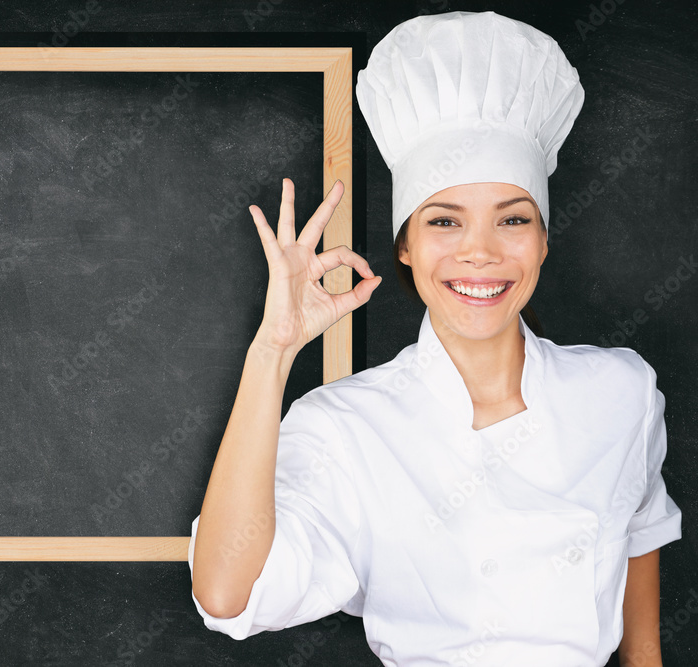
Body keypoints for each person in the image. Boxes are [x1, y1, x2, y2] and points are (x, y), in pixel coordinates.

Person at [188, 11, 682, 666]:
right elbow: (226, 594)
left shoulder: (622, 392)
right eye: (445, 221)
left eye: (512, 219)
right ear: (408, 247)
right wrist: (271, 350)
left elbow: (639, 527)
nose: (480, 253)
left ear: (541, 240)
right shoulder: (347, 428)